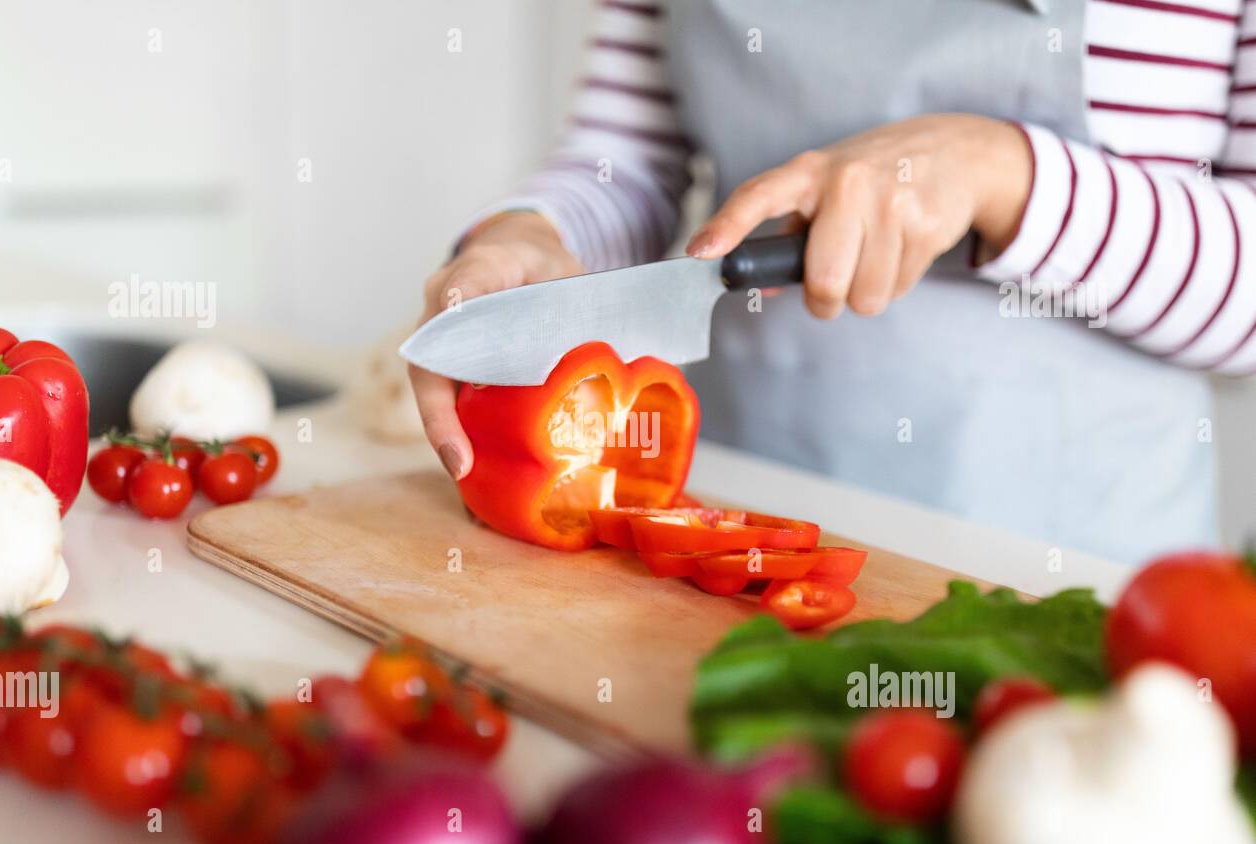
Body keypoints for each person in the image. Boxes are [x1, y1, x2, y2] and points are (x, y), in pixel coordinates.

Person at [407, 0, 1256, 564]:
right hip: (732, 529)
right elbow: (624, 155)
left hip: (1074, 574)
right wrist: (535, 235)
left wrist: (1006, 173)